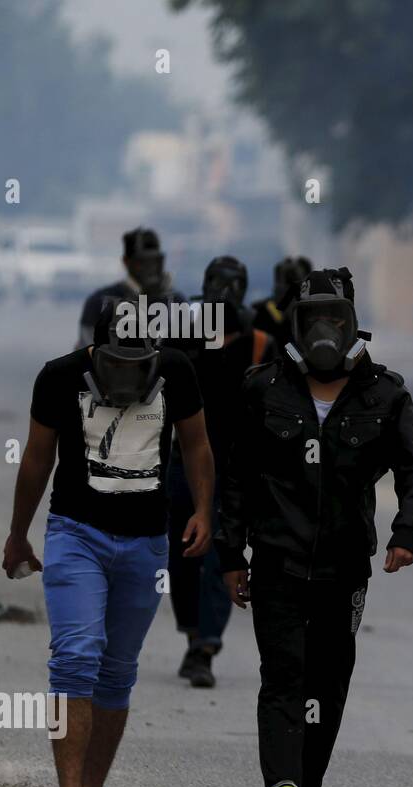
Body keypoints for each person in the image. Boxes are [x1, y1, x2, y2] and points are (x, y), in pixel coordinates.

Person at [216, 267, 413, 787]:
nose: (325, 332)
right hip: (277, 563)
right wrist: (229, 553)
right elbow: (234, 477)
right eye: (314, 320)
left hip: (345, 571)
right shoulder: (263, 388)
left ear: (352, 324)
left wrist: (408, 531)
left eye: (335, 320)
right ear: (297, 323)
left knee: (328, 683)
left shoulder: (384, 394)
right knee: (283, 675)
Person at [3, 298, 213, 787]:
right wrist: (18, 534)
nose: (126, 373)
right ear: (95, 352)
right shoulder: (59, 377)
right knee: (74, 656)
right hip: (76, 533)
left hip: (146, 542)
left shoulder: (176, 372)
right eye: (115, 362)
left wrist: (204, 512)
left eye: (136, 363)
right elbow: (35, 459)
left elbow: (197, 444)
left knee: (118, 668)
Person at [169, 256, 278, 688]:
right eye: (218, 282)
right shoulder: (184, 332)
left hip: (235, 468)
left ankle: (205, 646)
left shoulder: (258, 342)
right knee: (181, 552)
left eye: (234, 283)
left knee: (220, 550)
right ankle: (193, 631)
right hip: (185, 462)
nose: (225, 291)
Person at [77, 228, 187, 349]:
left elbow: (185, 350)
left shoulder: (176, 301)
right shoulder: (100, 301)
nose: (150, 268)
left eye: (155, 261)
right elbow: (88, 352)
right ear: (126, 262)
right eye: (142, 262)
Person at [250, 256, 312, 350]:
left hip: (298, 357)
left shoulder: (311, 310)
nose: (291, 282)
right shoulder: (261, 311)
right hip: (276, 358)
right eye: (288, 277)